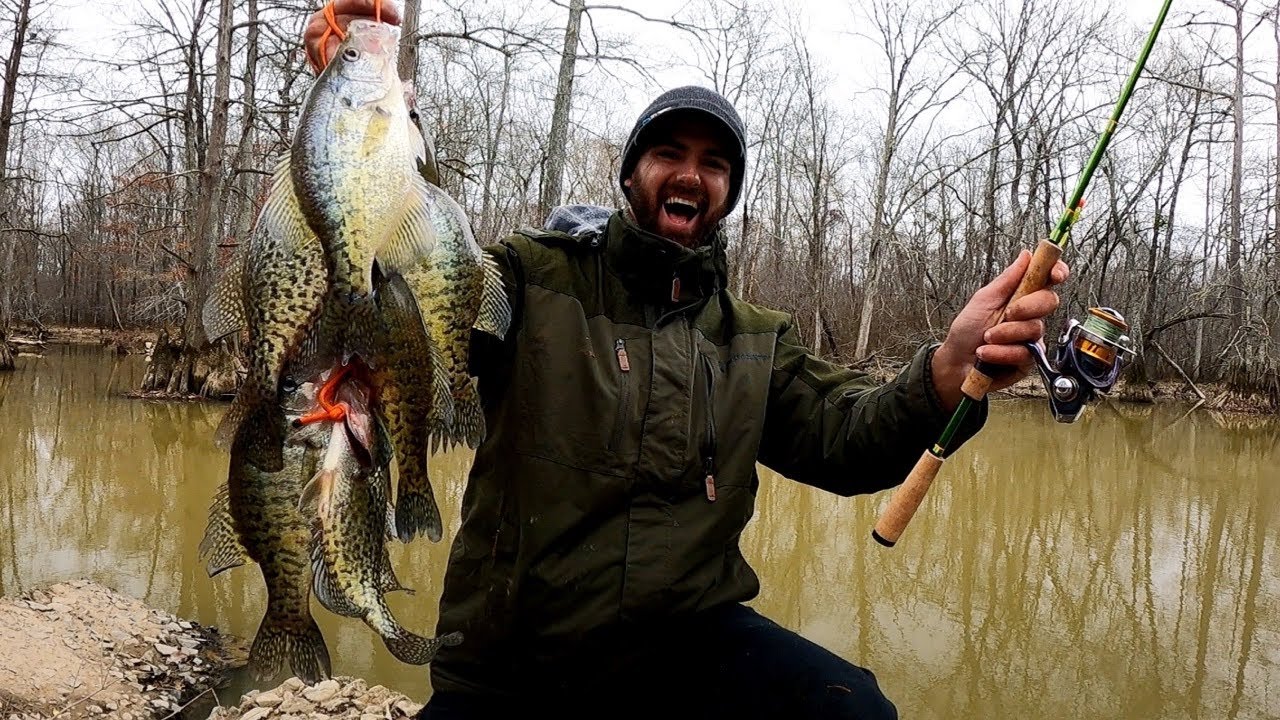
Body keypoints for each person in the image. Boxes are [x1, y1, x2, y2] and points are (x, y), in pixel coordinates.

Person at [303, 3, 1069, 718]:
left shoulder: (754, 338)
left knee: (853, 706)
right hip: (516, 657)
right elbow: (409, 272)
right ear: (631, 174)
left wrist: (946, 370)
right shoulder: (532, 277)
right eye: (668, 152)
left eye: (713, 163)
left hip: (687, 645)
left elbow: (850, 437)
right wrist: (360, 107)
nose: (690, 174)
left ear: (727, 192)